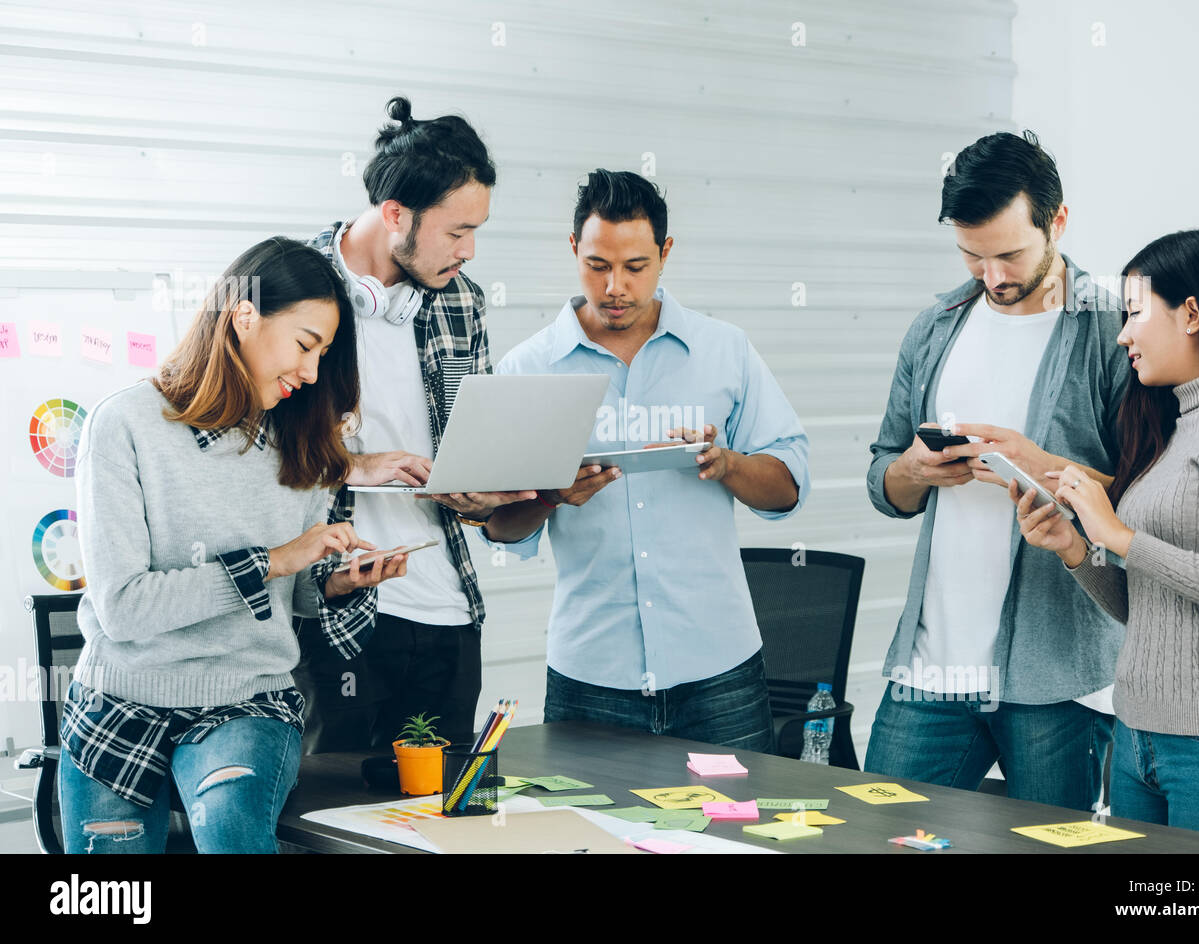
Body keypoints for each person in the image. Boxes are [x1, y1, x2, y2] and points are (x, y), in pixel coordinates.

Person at [60, 237, 406, 854]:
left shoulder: (299, 441)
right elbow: (124, 609)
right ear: (244, 316)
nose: (310, 372)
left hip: (245, 699)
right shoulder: (122, 425)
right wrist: (275, 559)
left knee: (231, 835)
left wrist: (338, 582)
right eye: (305, 345)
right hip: (119, 703)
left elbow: (296, 594)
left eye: (323, 355)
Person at [481, 169, 809, 750]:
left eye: (635, 267)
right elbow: (501, 529)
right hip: (591, 676)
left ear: (665, 253)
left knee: (739, 836)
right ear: (574, 252)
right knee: (588, 840)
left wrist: (725, 463)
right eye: (597, 266)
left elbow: (788, 486)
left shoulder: (724, 350)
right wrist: (554, 494)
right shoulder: (528, 368)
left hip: (719, 670)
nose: (615, 287)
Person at [863, 131, 1131, 811]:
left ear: (1058, 222)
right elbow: (882, 478)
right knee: (867, 835)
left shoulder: (1113, 331)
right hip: (930, 670)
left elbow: (1150, 500)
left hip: (1056, 682)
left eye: (1009, 254)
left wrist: (1041, 465)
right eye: (972, 256)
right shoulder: (935, 328)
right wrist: (916, 470)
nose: (992, 277)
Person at [1011, 228, 1199, 837]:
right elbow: (1150, 607)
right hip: (1138, 740)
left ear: (1190, 313)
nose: (1122, 335)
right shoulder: (1173, 428)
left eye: (1135, 313)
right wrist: (1077, 551)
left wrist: (1117, 536)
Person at [295, 96, 534, 751]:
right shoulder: (292, 287)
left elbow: (472, 445)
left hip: (447, 614)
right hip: (336, 612)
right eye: (457, 232)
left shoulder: (462, 303)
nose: (471, 250)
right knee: (330, 834)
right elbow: (244, 448)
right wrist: (354, 463)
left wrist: (486, 491)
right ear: (395, 214)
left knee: (441, 833)